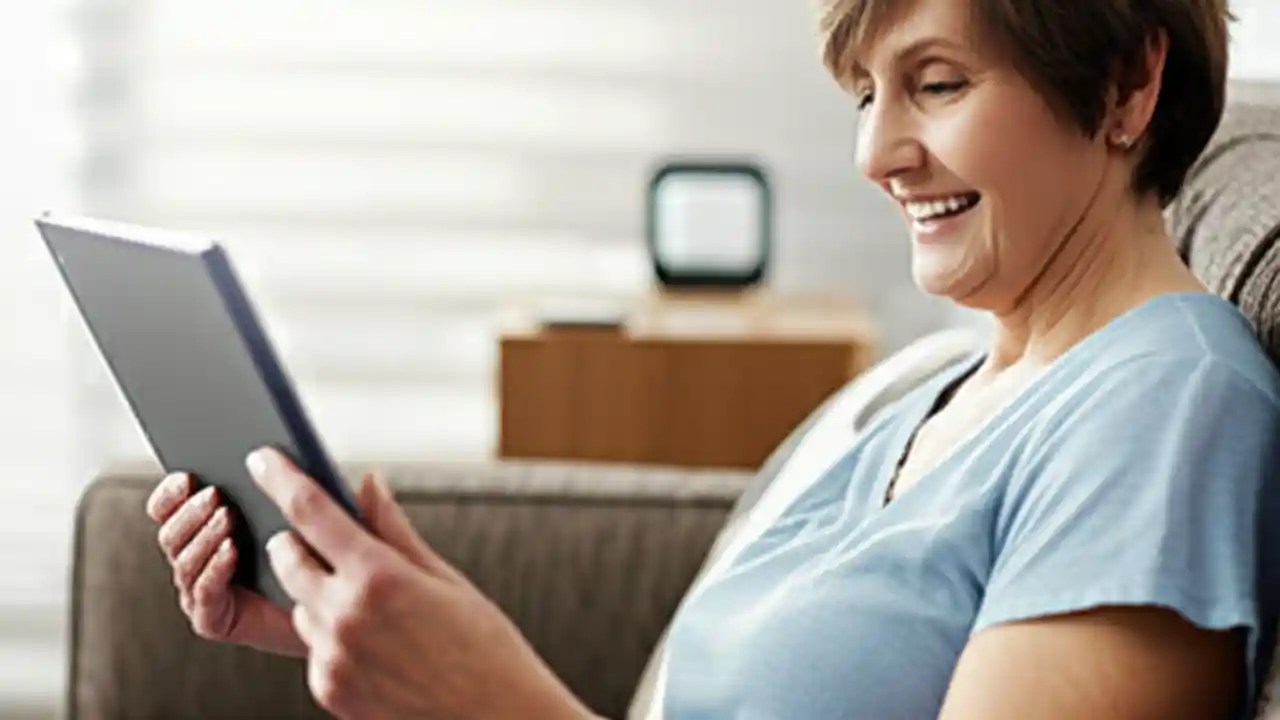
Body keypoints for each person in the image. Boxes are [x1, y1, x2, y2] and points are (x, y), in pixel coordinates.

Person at [146, 0, 1280, 717]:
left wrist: (487, 701)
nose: (875, 152)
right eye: (864, 95)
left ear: (1129, 84)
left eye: (936, 84)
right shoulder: (926, 397)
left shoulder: (1165, 406)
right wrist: (384, 632)